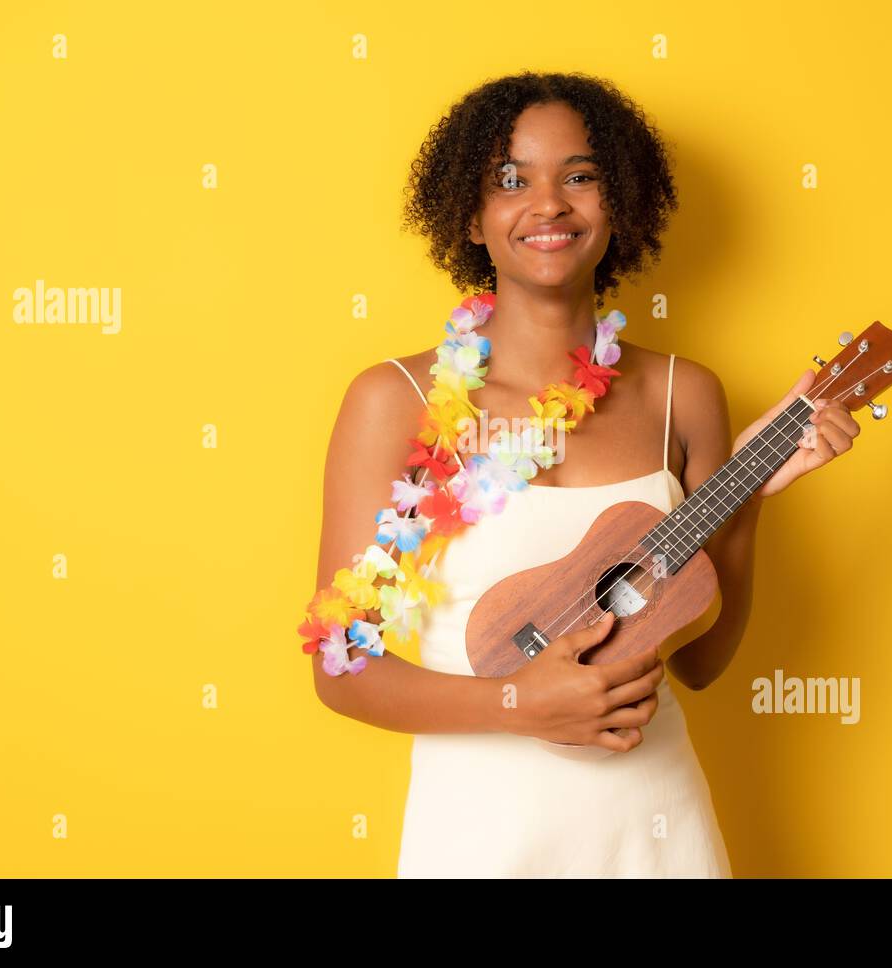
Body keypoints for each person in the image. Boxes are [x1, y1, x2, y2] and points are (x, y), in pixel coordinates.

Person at [309, 71, 860, 877]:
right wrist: (515, 703)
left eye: (580, 175)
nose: (548, 205)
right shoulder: (394, 401)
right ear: (469, 212)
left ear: (619, 201)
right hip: (480, 838)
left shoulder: (685, 395)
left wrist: (746, 491)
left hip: (654, 828)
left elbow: (702, 663)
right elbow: (338, 668)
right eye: (510, 180)